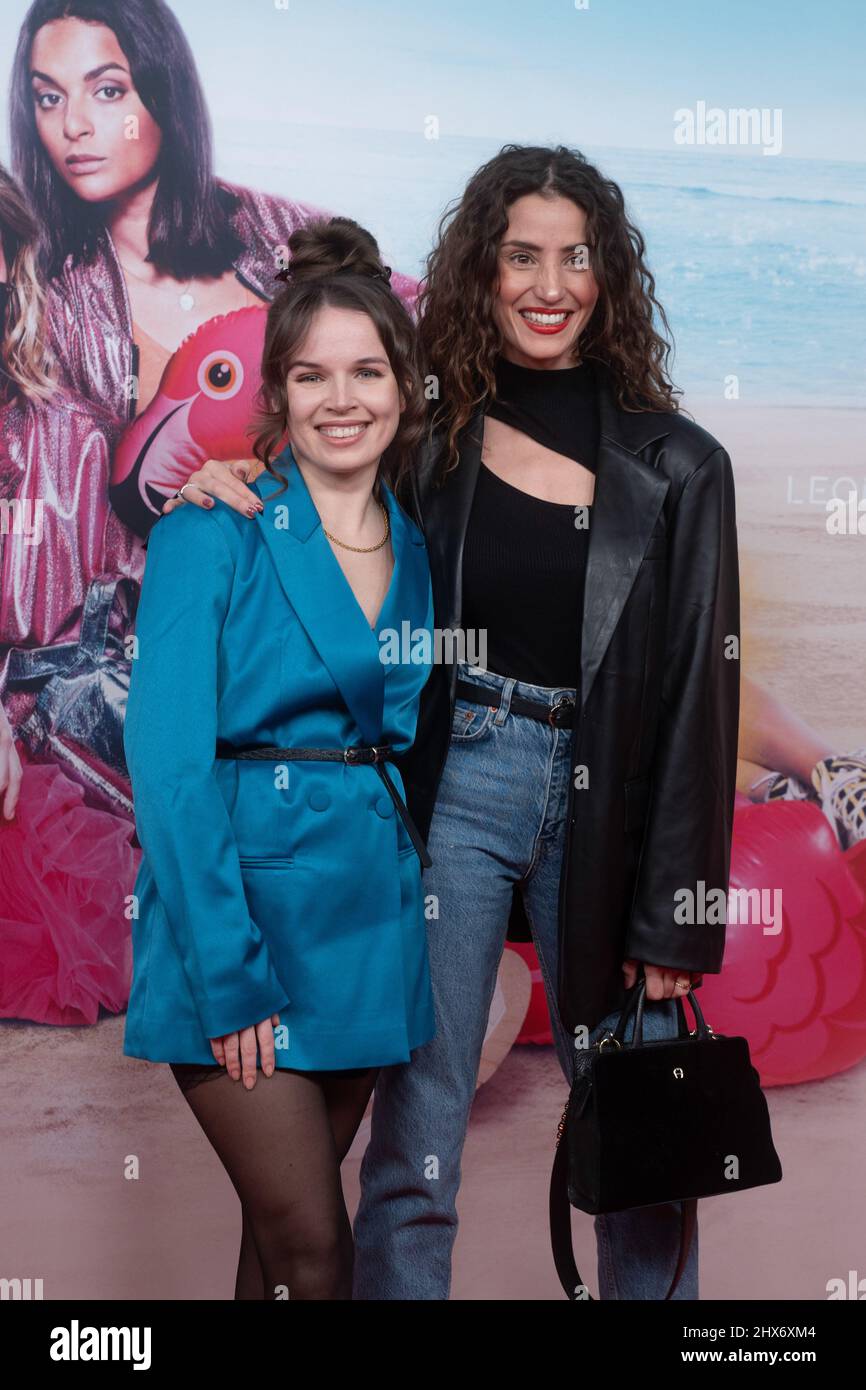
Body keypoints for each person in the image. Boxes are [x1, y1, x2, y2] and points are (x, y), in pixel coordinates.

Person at [122, 217, 435, 1301]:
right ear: (280, 393)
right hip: (239, 921)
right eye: (311, 375)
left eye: (365, 370)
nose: (340, 399)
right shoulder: (212, 526)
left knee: (278, 1248)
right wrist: (228, 964)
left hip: (363, 925)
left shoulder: (416, 540)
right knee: (316, 1250)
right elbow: (164, 767)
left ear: (402, 385)